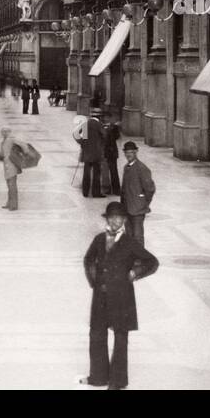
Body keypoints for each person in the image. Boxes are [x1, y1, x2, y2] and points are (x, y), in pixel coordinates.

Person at [81, 201, 159, 389]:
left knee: (120, 337)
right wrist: (95, 281)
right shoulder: (99, 239)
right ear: (107, 219)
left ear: (124, 220)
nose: (116, 221)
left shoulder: (130, 243)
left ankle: (118, 381)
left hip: (122, 296)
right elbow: (88, 259)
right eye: (112, 217)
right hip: (101, 297)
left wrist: (134, 273)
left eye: (120, 218)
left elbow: (152, 262)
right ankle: (98, 377)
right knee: (96, 334)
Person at [120, 142, 155, 243]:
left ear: (136, 152)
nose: (128, 155)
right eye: (126, 152)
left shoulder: (142, 168)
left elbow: (150, 189)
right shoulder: (126, 167)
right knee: (129, 235)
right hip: (127, 208)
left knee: (138, 236)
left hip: (138, 209)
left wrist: (143, 202)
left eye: (131, 152)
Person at [80, 106, 105, 199]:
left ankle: (85, 192)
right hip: (96, 153)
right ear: (99, 117)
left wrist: (83, 144)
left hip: (87, 152)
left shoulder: (86, 123)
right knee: (96, 173)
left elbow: (79, 134)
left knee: (86, 172)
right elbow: (104, 135)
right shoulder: (99, 124)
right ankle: (96, 192)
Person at [0, 126, 20, 210]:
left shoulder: (12, 139)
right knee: (9, 186)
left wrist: (22, 155)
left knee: (12, 186)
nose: (3, 133)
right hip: (6, 166)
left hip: (12, 166)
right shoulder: (4, 141)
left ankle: (14, 205)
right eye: (2, 131)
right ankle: (9, 203)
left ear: (9, 132)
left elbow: (23, 145)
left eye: (5, 131)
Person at [103, 115, 122, 196]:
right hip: (109, 152)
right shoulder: (107, 128)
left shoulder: (113, 128)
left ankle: (115, 189)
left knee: (112, 171)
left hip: (110, 152)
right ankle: (113, 189)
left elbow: (116, 136)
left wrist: (113, 127)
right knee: (109, 171)